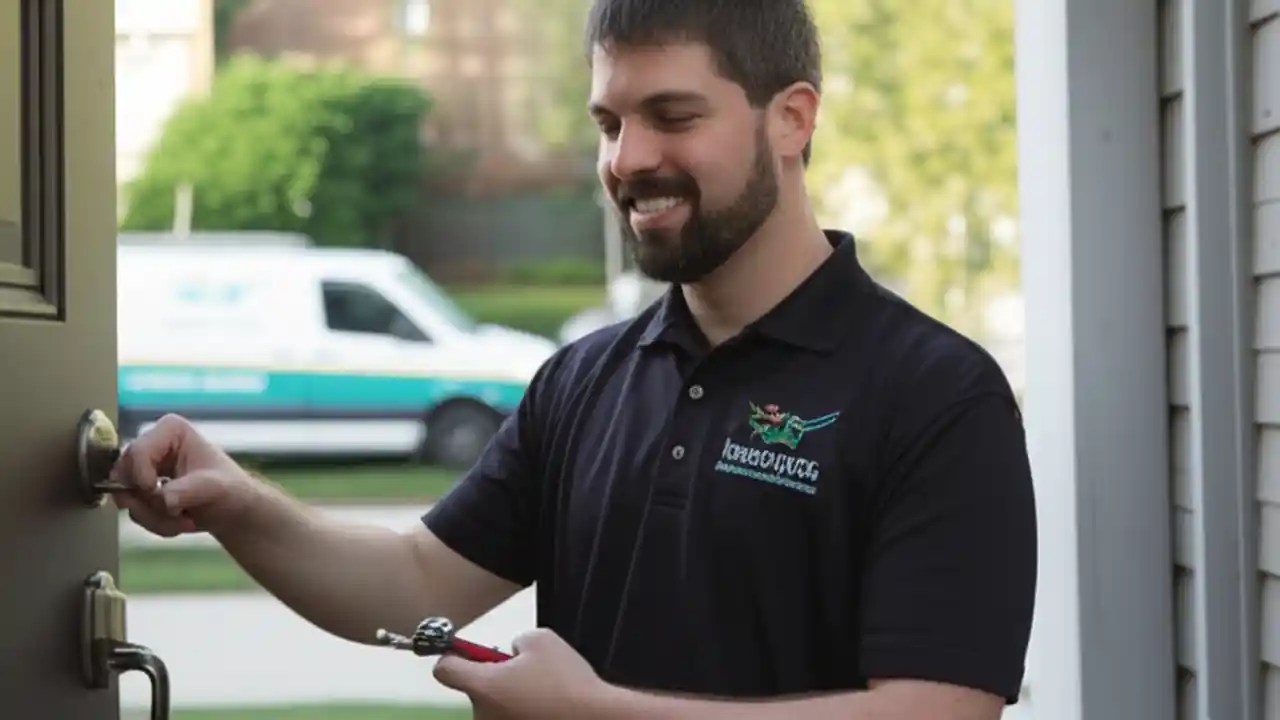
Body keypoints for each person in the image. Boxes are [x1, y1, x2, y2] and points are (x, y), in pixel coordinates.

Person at [113, 0, 1037, 717]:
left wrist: (599, 713)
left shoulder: (937, 395)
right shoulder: (584, 380)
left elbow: (937, 708)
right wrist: (236, 504)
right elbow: (412, 581)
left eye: (673, 116)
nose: (630, 160)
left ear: (791, 119)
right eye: (608, 123)